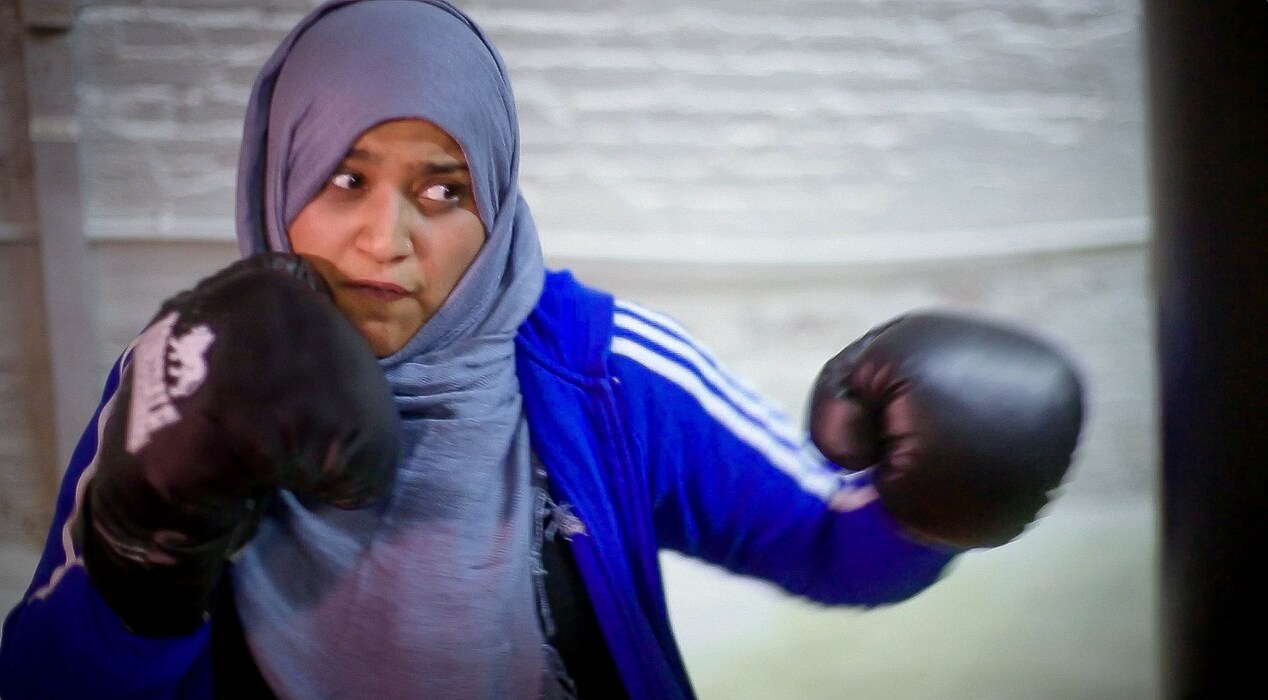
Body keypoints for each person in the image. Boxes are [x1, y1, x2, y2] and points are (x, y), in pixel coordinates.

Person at [0, 1, 1085, 698]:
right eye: (344, 178)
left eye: (444, 187)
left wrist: (942, 499)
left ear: (500, 193)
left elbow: (825, 540)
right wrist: (143, 554)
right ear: (277, 173)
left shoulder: (599, 369)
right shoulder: (187, 373)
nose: (386, 240)